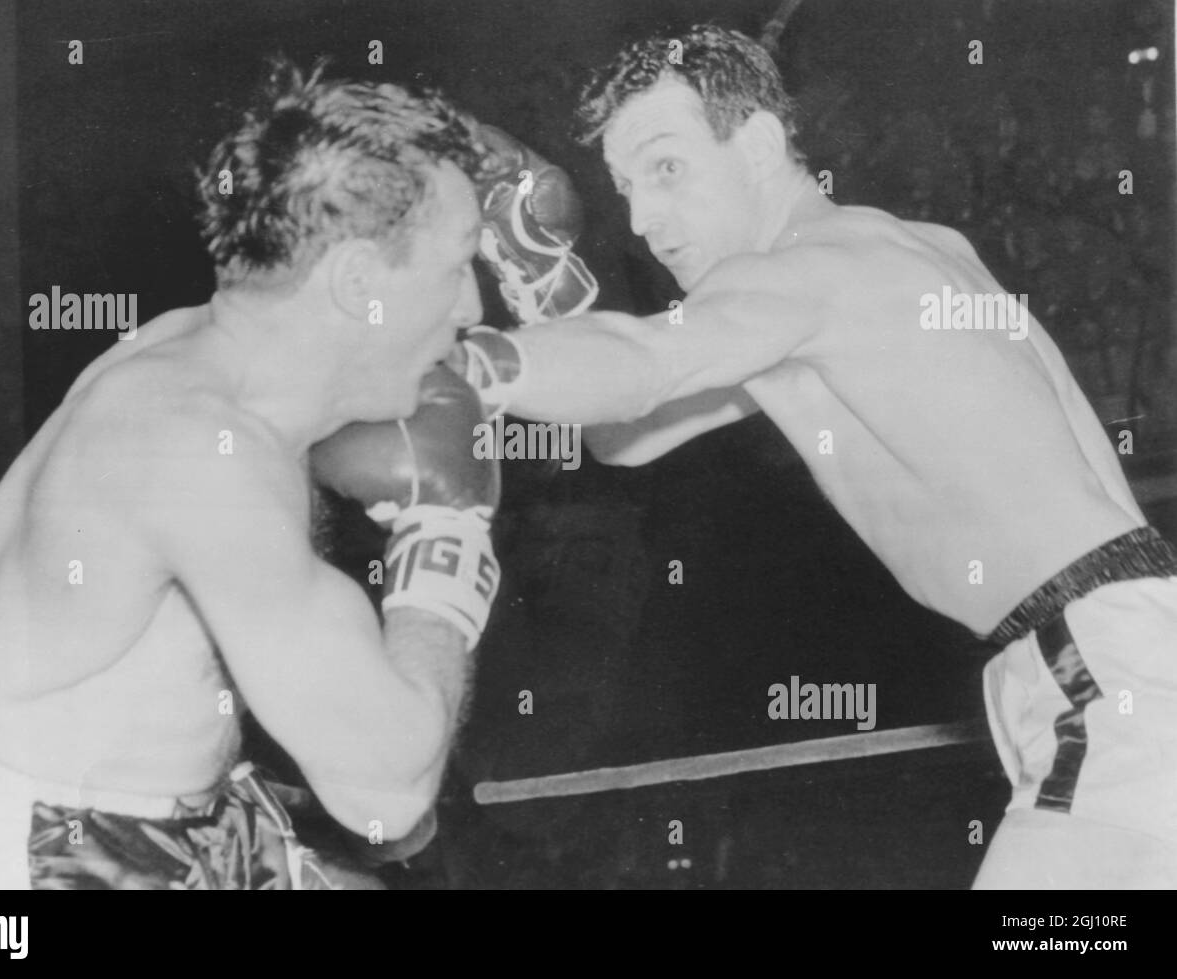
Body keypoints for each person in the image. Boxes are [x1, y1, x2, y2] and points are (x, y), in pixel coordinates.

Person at [447, 24, 1177, 888]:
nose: (644, 221)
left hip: (1104, 679)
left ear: (757, 143)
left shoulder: (805, 274)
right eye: (625, 187)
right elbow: (630, 432)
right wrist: (537, 273)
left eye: (668, 168)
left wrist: (450, 362)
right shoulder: (900, 254)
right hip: (1116, 655)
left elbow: (640, 369)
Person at [0, 59, 504, 889]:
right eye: (458, 265)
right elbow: (387, 796)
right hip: (38, 857)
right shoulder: (200, 447)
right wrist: (447, 545)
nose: (472, 309)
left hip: (181, 818)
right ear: (358, 282)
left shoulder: (216, 355)